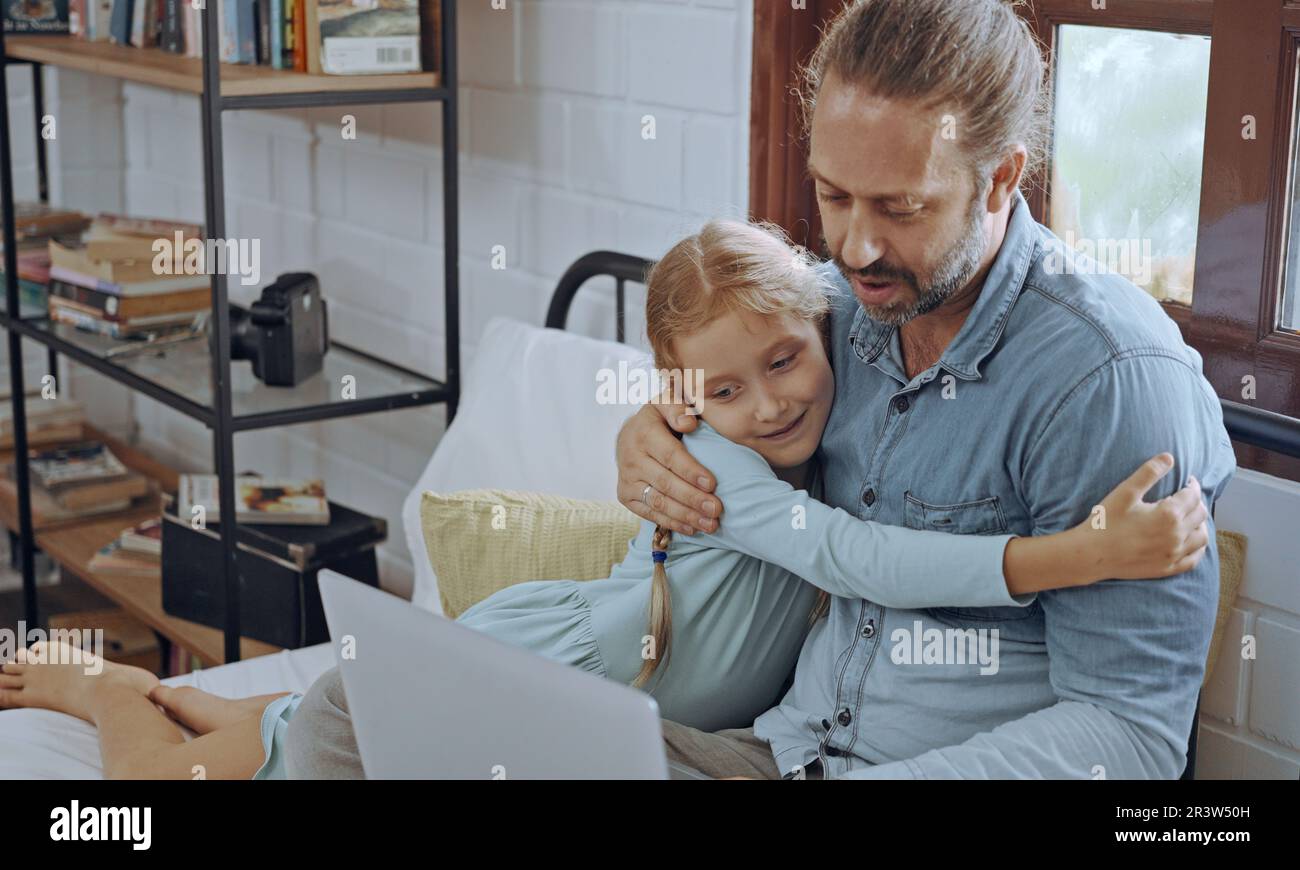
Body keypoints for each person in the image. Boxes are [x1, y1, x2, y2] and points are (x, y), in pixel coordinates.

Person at [0, 219, 1207, 780]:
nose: (774, 402)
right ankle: (108, 689)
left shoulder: (854, 370)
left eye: (786, 362)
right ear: (688, 397)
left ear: (825, 328)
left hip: (606, 696)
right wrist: (1072, 556)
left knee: (288, 724)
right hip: (553, 653)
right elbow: (864, 563)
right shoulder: (739, 465)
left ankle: (195, 708)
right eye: (721, 391)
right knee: (220, 774)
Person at [614, 0, 1236, 779]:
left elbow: (1132, 736)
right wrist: (656, 426)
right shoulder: (834, 307)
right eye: (833, 197)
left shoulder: (1108, 383)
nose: (854, 247)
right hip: (785, 749)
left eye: (900, 208)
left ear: (1001, 179)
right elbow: (721, 370)